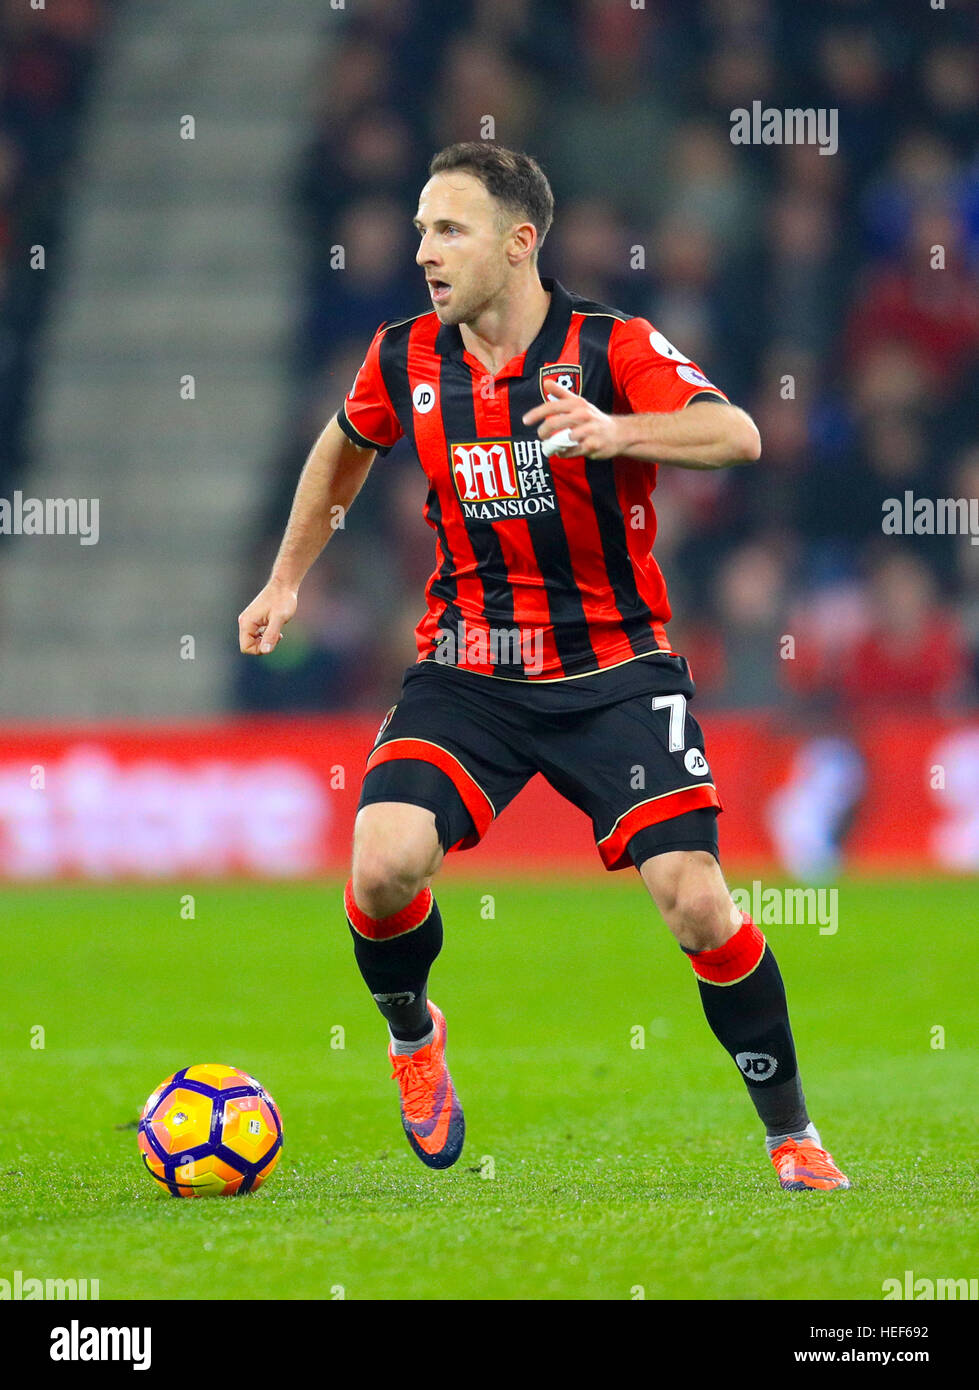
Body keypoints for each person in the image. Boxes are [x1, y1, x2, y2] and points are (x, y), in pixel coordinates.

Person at [238, 142, 849, 1193]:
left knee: (697, 902)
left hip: (615, 664)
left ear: (520, 243)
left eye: (450, 229)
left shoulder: (610, 347)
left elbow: (736, 433)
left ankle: (789, 1131)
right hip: (468, 664)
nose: (426, 250)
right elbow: (342, 446)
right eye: (423, 228)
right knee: (381, 864)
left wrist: (617, 431)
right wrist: (286, 579)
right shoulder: (402, 359)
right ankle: (412, 1032)